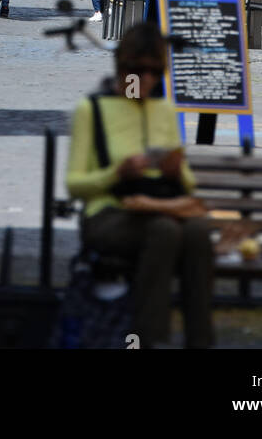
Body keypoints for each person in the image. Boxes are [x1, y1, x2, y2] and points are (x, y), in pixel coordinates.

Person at [66, 22, 214, 349]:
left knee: (197, 232)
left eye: (155, 71)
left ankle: (201, 340)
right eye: (138, 71)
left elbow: (186, 183)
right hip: (108, 213)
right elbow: (75, 185)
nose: (146, 80)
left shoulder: (163, 110)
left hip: (159, 206)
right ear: (122, 68)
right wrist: (116, 173)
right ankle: (151, 339)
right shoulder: (93, 110)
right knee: (164, 231)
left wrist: (177, 172)